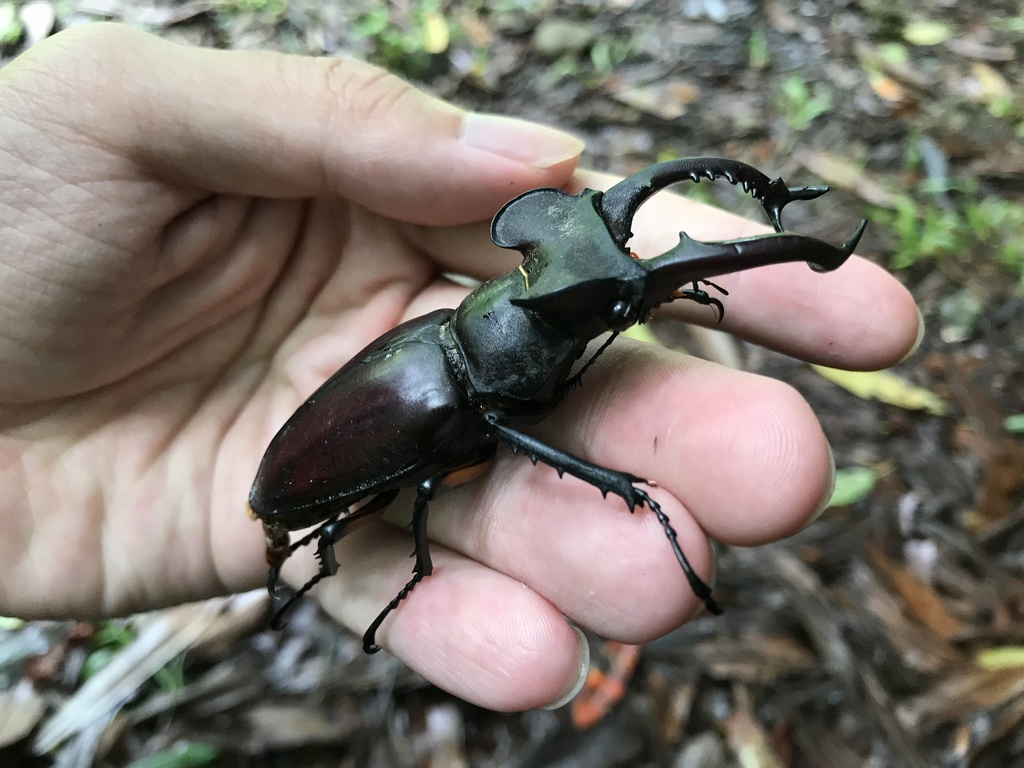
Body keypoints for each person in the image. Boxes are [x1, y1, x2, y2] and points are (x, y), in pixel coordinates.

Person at [0, 23, 921, 712]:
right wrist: (628, 487)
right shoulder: (463, 386)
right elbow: (459, 467)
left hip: (369, 420)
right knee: (437, 480)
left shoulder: (449, 329)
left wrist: (631, 298)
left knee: (466, 465)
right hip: (304, 484)